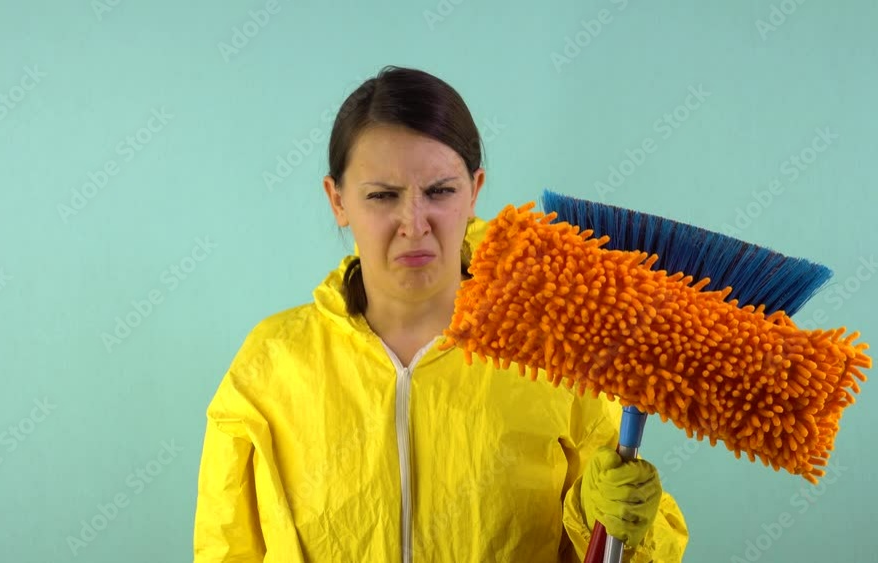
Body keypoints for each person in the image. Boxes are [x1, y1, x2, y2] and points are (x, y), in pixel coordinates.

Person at [193, 65, 689, 562]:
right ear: (337, 200)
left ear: (474, 190)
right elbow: (224, 549)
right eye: (382, 195)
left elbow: (635, 549)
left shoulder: (553, 361)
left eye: (440, 191)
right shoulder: (269, 365)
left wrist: (618, 528)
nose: (414, 224)